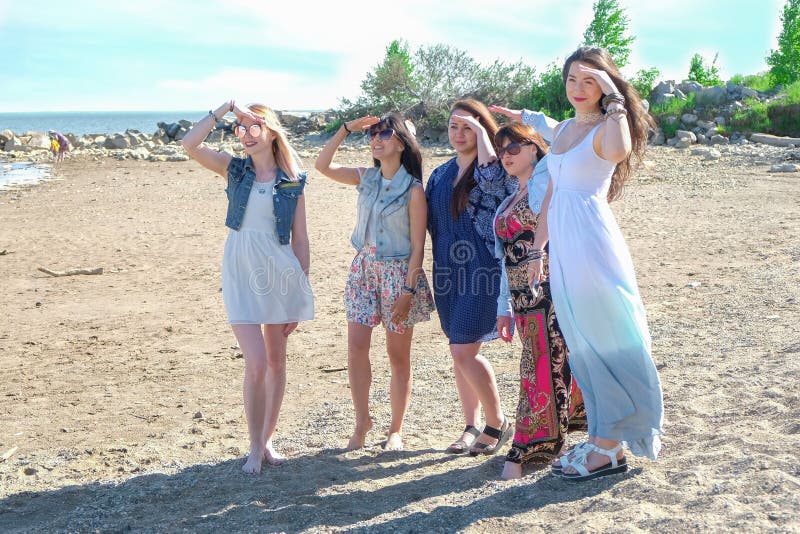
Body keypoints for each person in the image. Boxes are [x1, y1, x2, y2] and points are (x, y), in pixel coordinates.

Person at [527, 46, 664, 481]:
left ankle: (610, 445)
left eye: (589, 80)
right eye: (572, 79)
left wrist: (614, 98)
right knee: (582, 341)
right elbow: (551, 196)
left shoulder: (610, 126)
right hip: (564, 248)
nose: (578, 88)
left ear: (605, 84)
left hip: (592, 243)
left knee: (608, 334)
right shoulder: (565, 129)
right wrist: (537, 249)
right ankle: (604, 437)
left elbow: (619, 150)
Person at [181, 101, 314, 474]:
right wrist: (224, 109)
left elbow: (301, 239)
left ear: (271, 131)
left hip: (278, 273)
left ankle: (267, 441)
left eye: (254, 127)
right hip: (240, 272)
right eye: (240, 129)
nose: (246, 135)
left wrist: (298, 291)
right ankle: (254, 447)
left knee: (276, 361)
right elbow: (189, 144)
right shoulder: (234, 170)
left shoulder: (293, 180)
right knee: (256, 362)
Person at [315, 113, 435, 451]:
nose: (376, 139)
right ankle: (362, 422)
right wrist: (346, 129)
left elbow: (418, 246)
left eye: (384, 134)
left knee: (397, 356)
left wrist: (408, 291)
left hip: (398, 274)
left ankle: (395, 429)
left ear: (402, 143)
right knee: (356, 348)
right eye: (373, 135)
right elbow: (322, 165)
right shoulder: (365, 177)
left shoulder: (413, 190)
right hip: (363, 270)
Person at [491, 122, 587, 480]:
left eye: (514, 148)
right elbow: (504, 260)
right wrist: (503, 307)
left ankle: (523, 449)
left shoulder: (544, 182)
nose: (505, 156)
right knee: (547, 365)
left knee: (541, 366)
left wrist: (526, 117)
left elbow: (561, 140)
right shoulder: (510, 196)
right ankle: (556, 443)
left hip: (548, 291)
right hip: (521, 301)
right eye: (501, 150)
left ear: (534, 148)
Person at [426, 99, 515, 456]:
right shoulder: (439, 173)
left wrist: (482, 135)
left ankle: (497, 422)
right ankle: (470, 426)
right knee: (458, 350)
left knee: (464, 349)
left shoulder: (493, 169)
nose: (459, 134)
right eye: (454, 126)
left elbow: (496, 187)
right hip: (447, 270)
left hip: (483, 269)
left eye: (469, 127)